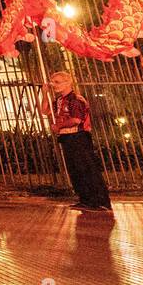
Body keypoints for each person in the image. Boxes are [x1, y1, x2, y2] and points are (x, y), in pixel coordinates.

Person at [38, 71, 111, 211]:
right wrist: (45, 94)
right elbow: (44, 110)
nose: (54, 85)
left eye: (57, 82)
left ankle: (100, 201)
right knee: (76, 170)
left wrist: (58, 126)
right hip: (66, 138)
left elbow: (76, 120)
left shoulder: (76, 99)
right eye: (52, 82)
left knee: (87, 169)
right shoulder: (59, 101)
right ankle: (85, 199)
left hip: (79, 137)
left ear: (68, 82)